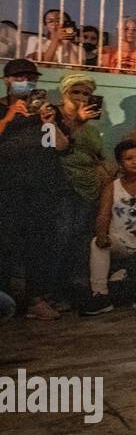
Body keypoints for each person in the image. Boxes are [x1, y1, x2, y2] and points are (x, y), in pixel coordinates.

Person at [0, 59, 70, 320]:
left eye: (31, 77)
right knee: (5, 246)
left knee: (39, 246)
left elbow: (61, 147)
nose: (25, 82)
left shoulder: (47, 111)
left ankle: (34, 300)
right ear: (7, 80)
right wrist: (9, 117)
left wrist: (49, 123)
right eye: (19, 77)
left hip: (42, 188)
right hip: (7, 189)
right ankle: (5, 300)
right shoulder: (2, 109)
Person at [83, 140, 136, 316]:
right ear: (120, 163)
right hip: (120, 242)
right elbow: (103, 214)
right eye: (129, 158)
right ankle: (100, 294)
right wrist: (102, 234)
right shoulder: (112, 186)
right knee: (97, 242)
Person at [52, 74, 111, 303]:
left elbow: (97, 155)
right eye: (76, 92)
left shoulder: (91, 126)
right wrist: (76, 121)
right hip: (63, 184)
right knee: (62, 236)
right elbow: (55, 148)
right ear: (65, 93)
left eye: (86, 93)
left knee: (80, 238)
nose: (81, 97)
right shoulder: (53, 116)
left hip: (90, 186)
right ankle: (51, 290)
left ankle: (74, 290)